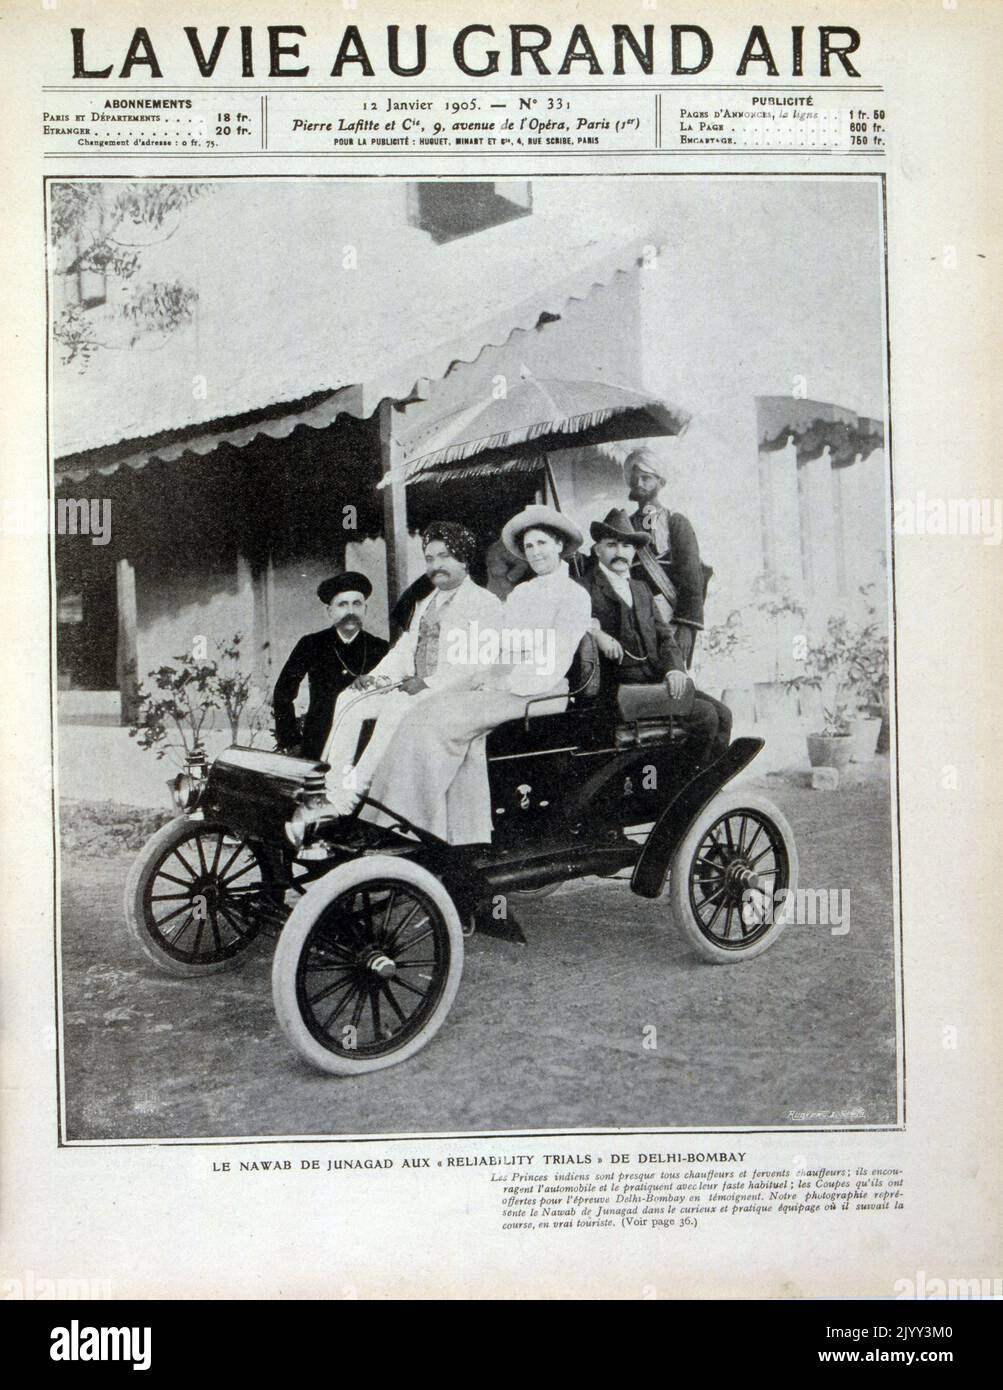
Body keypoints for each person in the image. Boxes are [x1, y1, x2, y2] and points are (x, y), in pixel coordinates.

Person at [362, 505, 592, 844]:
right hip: (505, 686)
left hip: (543, 690)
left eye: (542, 543)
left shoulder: (575, 596)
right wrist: (488, 674)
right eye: (529, 547)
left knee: (439, 719)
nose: (536, 552)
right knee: (427, 710)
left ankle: (411, 822)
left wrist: (503, 681)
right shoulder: (523, 593)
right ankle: (429, 823)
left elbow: (554, 658)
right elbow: (500, 645)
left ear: (559, 545)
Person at [322, 521, 502, 816]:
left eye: (445, 556)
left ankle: (352, 798)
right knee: (348, 700)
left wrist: (428, 683)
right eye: (430, 559)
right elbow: (406, 649)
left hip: (459, 694)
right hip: (418, 688)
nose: (436, 566)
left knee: (395, 707)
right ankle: (334, 789)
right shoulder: (429, 601)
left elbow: (476, 666)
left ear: (465, 559)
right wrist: (374, 678)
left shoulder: (484, 603)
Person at [581, 508, 731, 767]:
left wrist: (674, 670)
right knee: (705, 716)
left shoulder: (640, 589)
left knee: (724, 714)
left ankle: (702, 786)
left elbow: (665, 638)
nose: (620, 552)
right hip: (621, 691)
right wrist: (596, 633)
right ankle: (682, 785)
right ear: (598, 551)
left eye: (627, 545)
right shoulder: (584, 588)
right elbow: (572, 623)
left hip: (655, 682)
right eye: (612, 545)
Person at [272, 572, 389, 760]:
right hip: (319, 742)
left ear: (365, 609)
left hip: (365, 744)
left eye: (356, 604)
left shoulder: (379, 647)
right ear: (330, 611)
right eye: (342, 604)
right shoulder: (311, 644)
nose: (350, 611)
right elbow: (283, 693)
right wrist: (291, 742)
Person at [625, 444, 708, 668]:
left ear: (660, 482)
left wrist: (686, 627)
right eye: (635, 479)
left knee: (675, 679)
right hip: (635, 617)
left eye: (646, 478)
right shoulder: (624, 525)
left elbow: (692, 577)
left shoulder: (676, 523)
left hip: (670, 614)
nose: (639, 484)